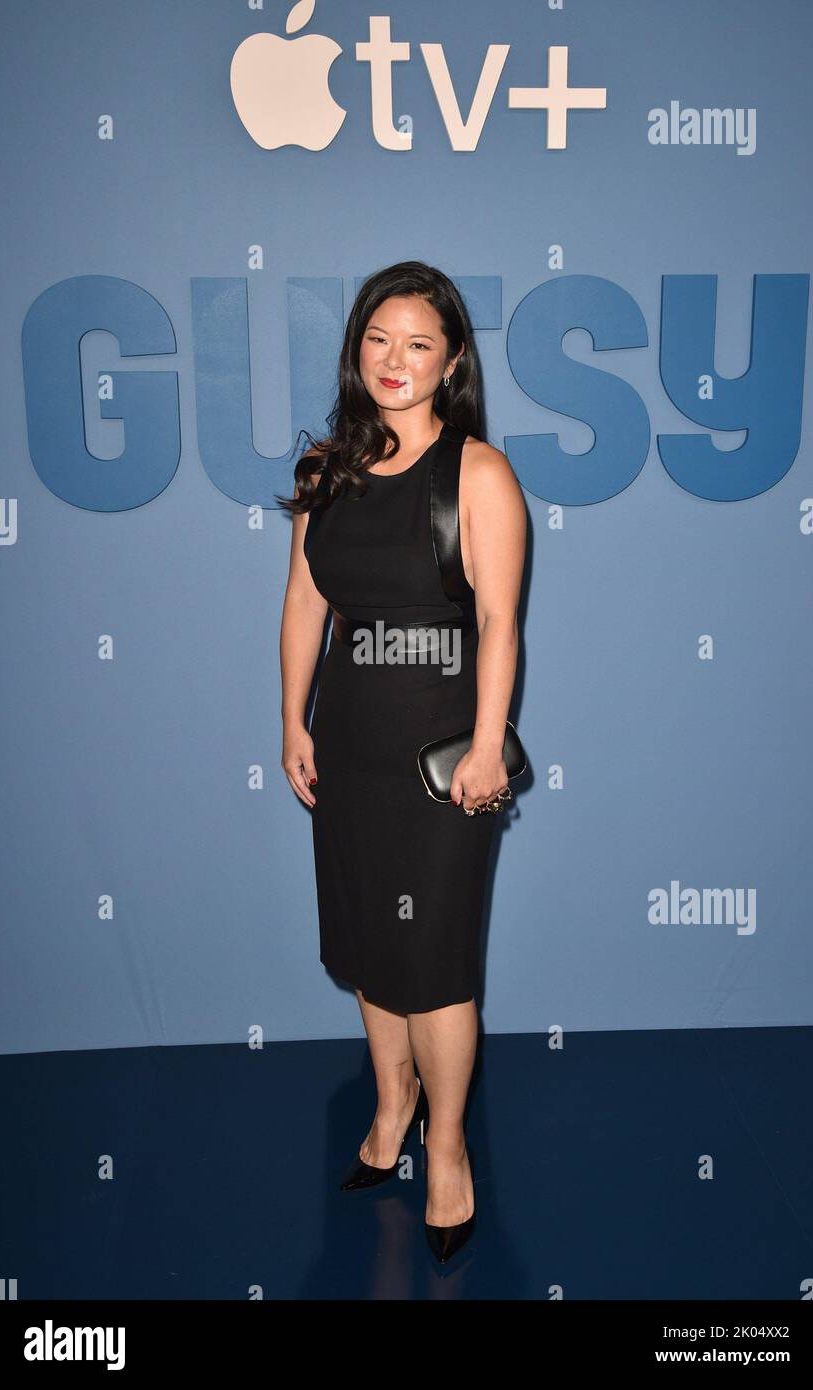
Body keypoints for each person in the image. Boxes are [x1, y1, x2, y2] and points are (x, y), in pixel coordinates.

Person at [277, 261, 526, 1263]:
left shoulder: (477, 474)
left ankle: (450, 1146)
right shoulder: (323, 469)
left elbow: (502, 623)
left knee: (433, 964)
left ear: (451, 359)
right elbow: (304, 603)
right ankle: (388, 1116)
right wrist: (291, 720)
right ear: (356, 348)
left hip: (438, 761)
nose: (394, 359)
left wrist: (483, 749)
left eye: (418, 342)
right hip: (347, 750)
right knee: (369, 948)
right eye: (378, 338)